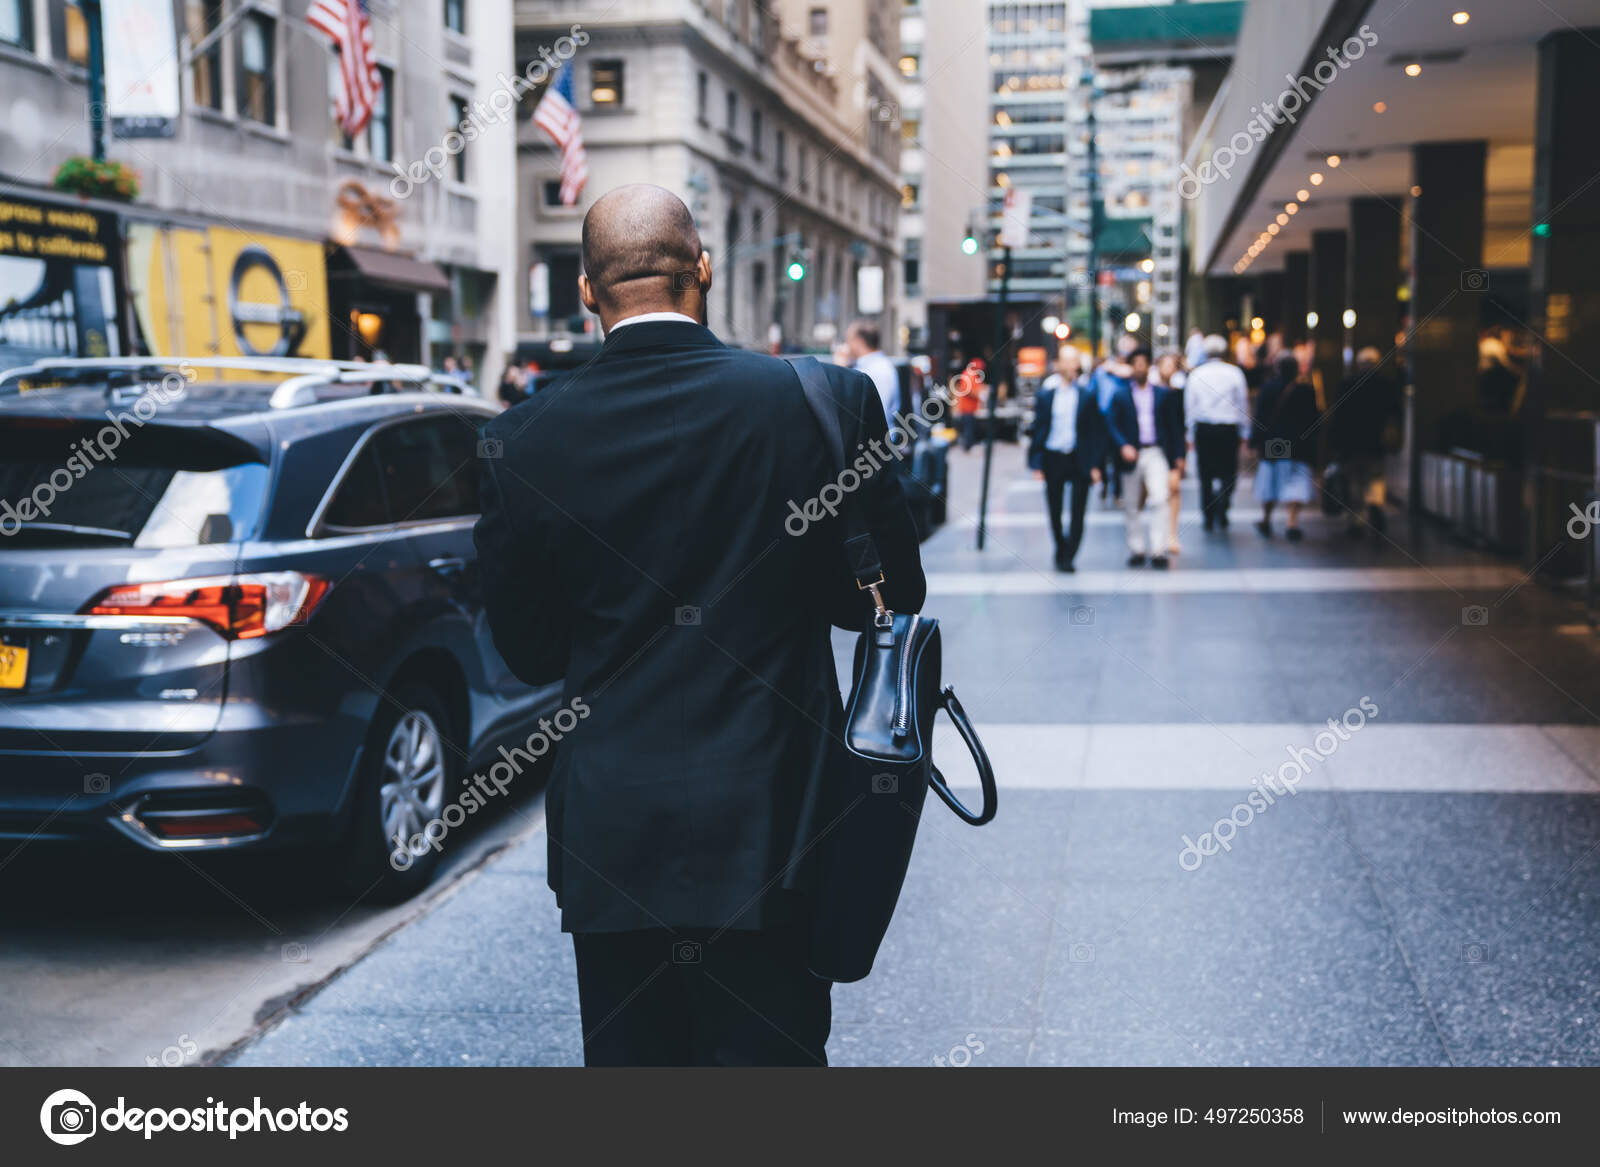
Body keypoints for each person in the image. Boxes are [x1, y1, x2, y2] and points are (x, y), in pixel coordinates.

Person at [473, 185, 925, 1066]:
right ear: (704, 267)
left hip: (614, 841)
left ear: (585, 291)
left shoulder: (521, 441)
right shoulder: (824, 401)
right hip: (779, 826)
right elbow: (885, 597)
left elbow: (527, 652)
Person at [1104, 348, 1185, 569]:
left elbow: (1174, 427)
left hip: (1155, 451)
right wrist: (1123, 445)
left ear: (1149, 367)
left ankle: (1158, 549)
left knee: (1159, 498)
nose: (1140, 368)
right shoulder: (1120, 395)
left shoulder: (1162, 394)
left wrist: (1178, 455)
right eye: (1136, 363)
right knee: (1132, 504)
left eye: (1143, 363)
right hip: (1131, 454)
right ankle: (1137, 548)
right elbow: (1111, 423)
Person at [1027, 344, 1105, 572]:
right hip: (1054, 457)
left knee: (1079, 509)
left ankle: (1069, 554)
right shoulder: (1046, 395)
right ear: (1058, 364)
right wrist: (1036, 462)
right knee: (1054, 508)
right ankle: (1060, 546)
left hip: (1078, 458)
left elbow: (1095, 433)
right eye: (1068, 361)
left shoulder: (1086, 395)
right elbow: (1038, 429)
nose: (1073, 366)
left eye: (1076, 361)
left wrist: (1095, 465)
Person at [1327, 346, 1401, 537]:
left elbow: (1337, 416)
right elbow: (1395, 414)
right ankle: (1374, 503)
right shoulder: (1387, 385)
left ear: (1359, 364)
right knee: (1375, 475)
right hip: (1376, 440)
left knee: (1354, 480)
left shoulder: (1346, 384)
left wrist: (1333, 443)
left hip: (1350, 442)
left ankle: (1357, 519)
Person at [1182, 334, 1250, 532]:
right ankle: (1222, 506)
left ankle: (1208, 513)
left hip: (1205, 429)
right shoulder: (1235, 373)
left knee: (1205, 474)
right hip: (1227, 429)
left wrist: (1190, 433)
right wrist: (1245, 431)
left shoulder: (1196, 374)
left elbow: (1190, 407)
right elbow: (1242, 404)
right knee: (1229, 472)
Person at [1251, 353, 1320, 541]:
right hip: (1298, 442)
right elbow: (1314, 419)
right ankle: (1292, 521)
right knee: (1297, 479)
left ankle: (1266, 518)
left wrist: (1255, 441)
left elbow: (1259, 417)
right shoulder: (1306, 391)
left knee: (1270, 479)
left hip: (1275, 442)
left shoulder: (1268, 389)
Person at [1152, 352, 1187, 554]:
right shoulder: (1150, 391)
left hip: (1171, 448)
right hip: (1153, 447)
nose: (1168, 369)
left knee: (1173, 489)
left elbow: (1179, 426)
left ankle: (1171, 534)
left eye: (1171, 365)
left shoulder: (1177, 393)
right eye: (1164, 364)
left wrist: (1181, 454)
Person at [845, 319, 900, 431]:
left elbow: (877, 412)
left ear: (858, 342)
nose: (846, 346)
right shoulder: (867, 366)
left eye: (848, 340)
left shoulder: (878, 369)